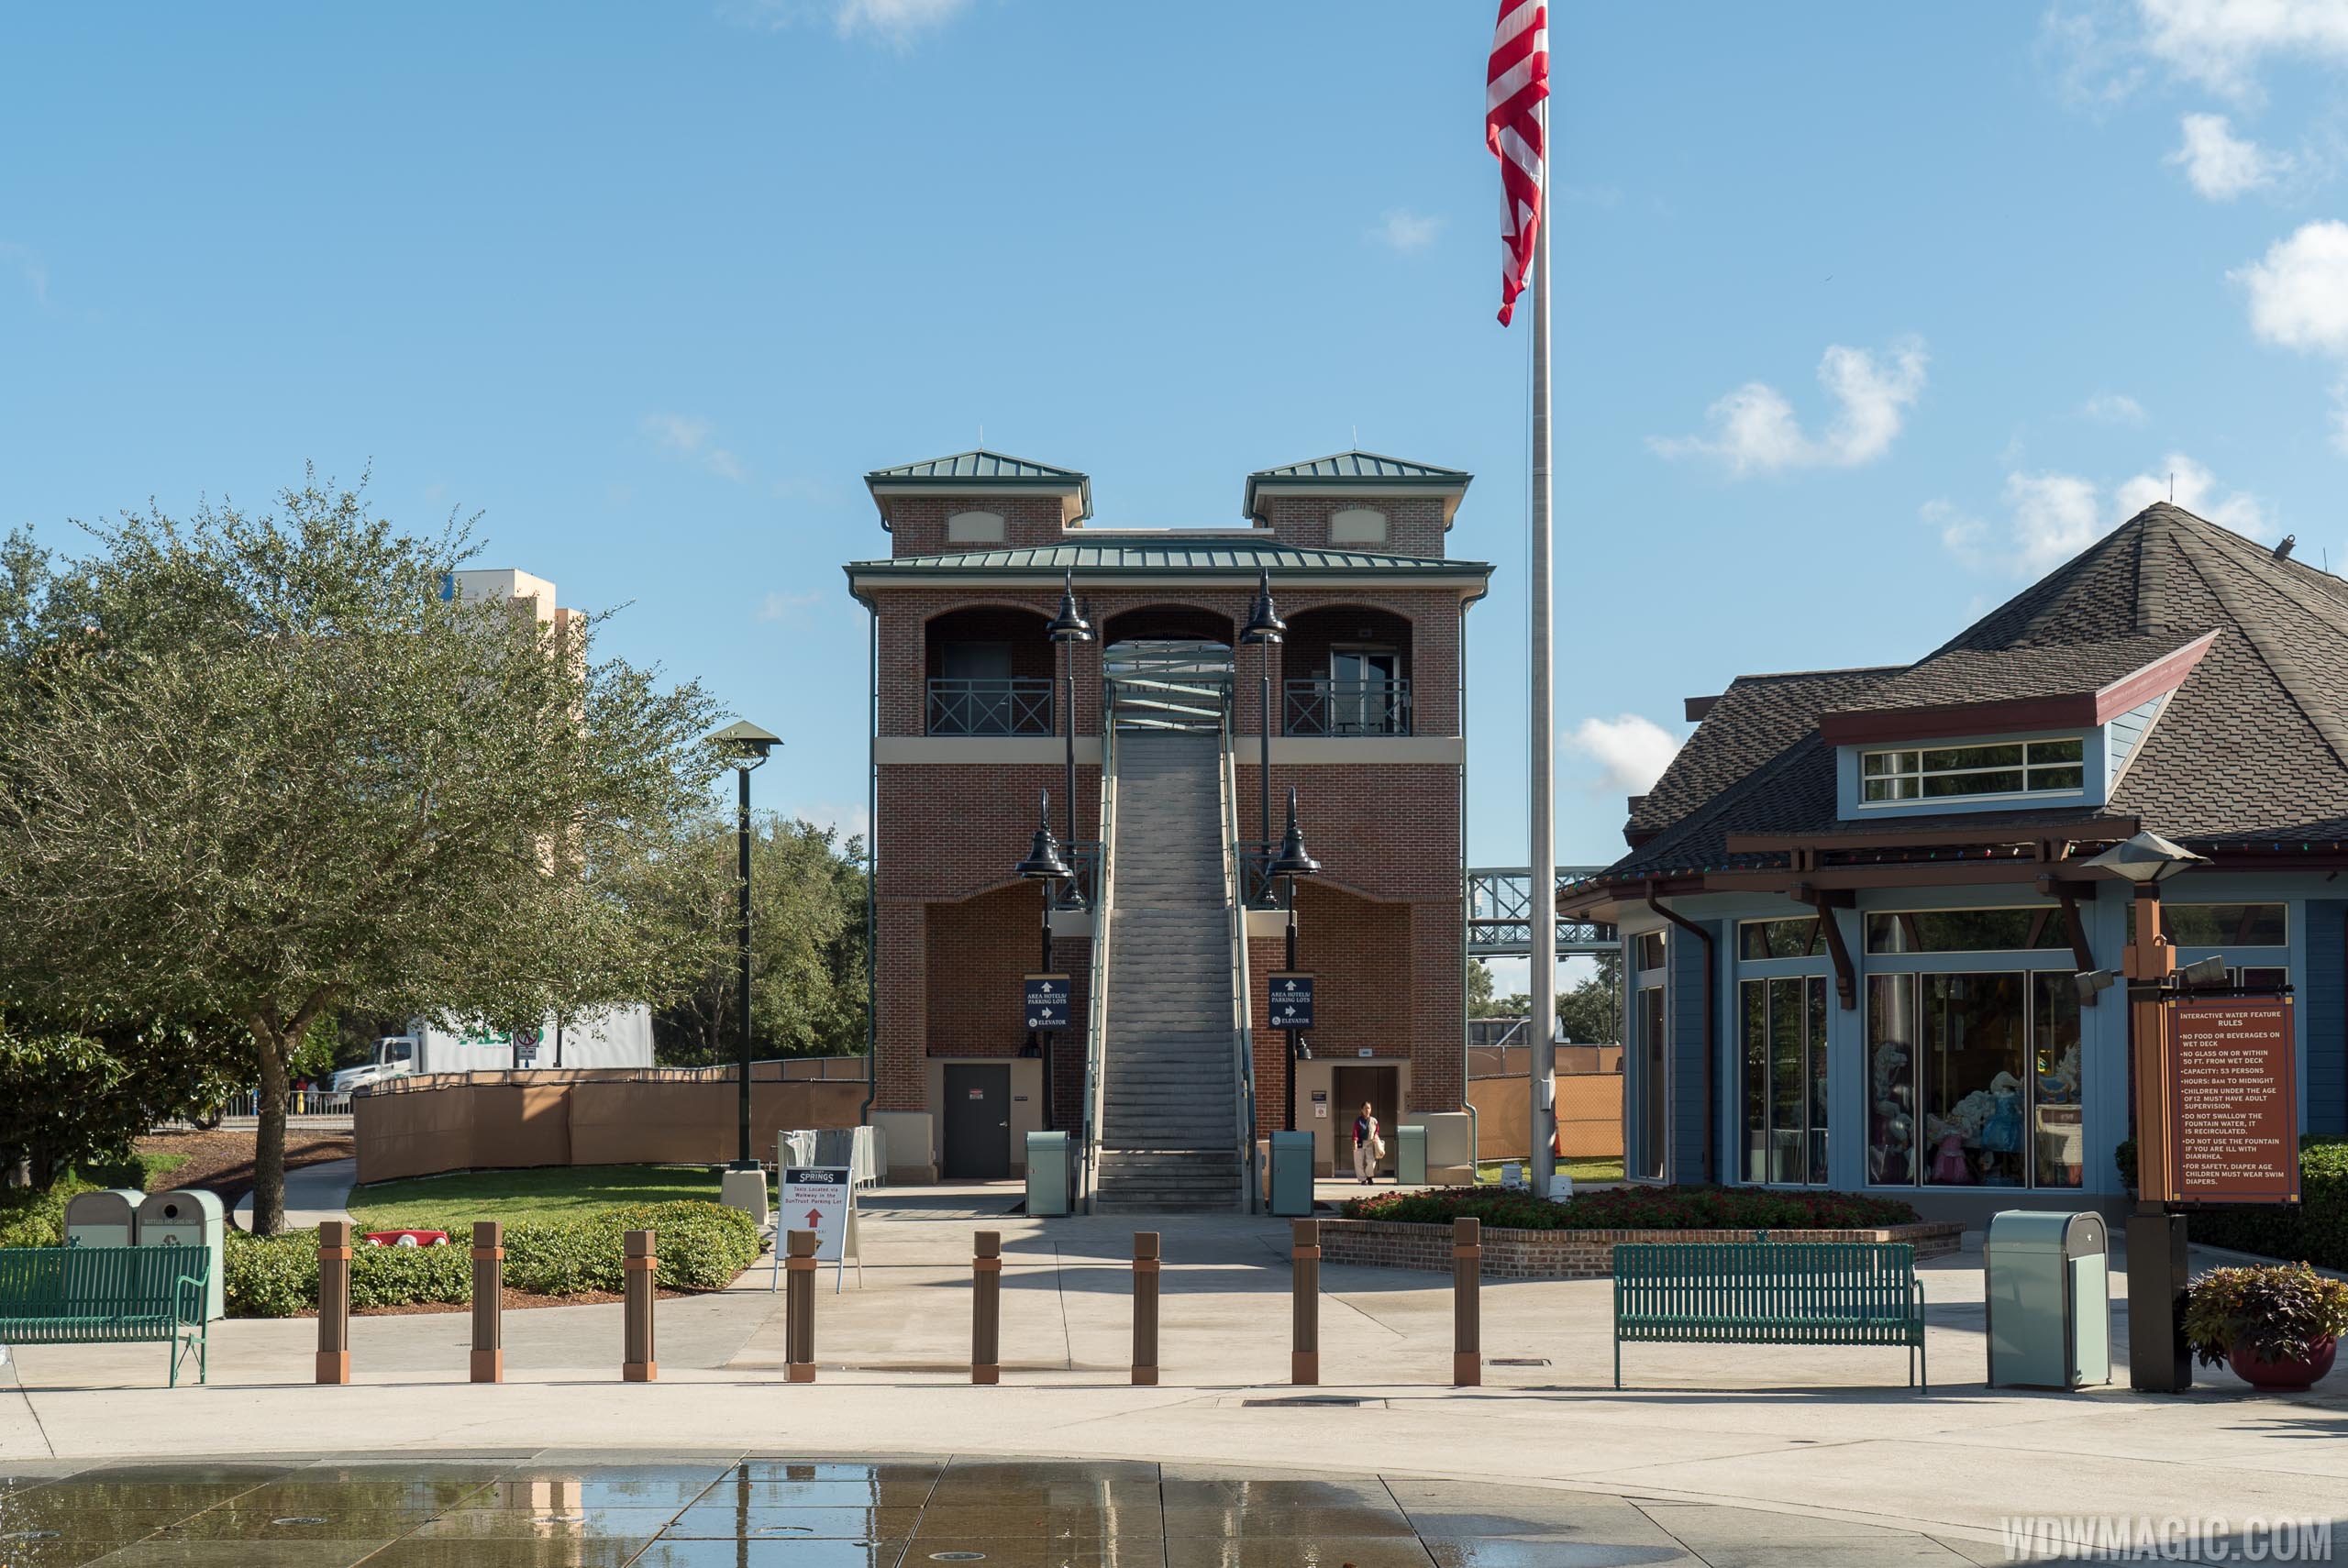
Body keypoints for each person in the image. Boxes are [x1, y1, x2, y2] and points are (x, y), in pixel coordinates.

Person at [1352, 1101, 1381, 1185]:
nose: (1367, 1110)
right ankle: (1363, 1179)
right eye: (1365, 1108)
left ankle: (1369, 1176)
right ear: (1362, 1110)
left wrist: (1376, 1136)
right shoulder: (1358, 1120)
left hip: (1370, 1143)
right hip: (1360, 1142)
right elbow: (1355, 1131)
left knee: (1371, 1161)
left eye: (1369, 1108)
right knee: (1358, 1162)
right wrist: (1354, 1142)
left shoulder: (1374, 1120)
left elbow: (1377, 1130)